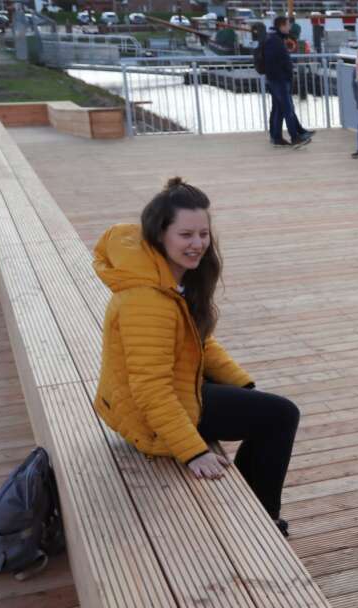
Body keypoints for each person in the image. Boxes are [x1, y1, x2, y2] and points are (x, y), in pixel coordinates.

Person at [92, 178, 299, 537]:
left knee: (264, 409)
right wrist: (193, 452)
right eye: (185, 235)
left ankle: (254, 508)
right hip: (147, 416)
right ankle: (260, 522)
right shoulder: (147, 299)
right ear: (160, 234)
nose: (198, 244)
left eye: (203, 234)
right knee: (281, 416)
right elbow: (150, 388)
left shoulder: (169, 278)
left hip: (172, 390)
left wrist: (244, 385)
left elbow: (199, 343)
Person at [262, 15, 314, 148]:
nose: (289, 27)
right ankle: (295, 138)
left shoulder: (275, 38)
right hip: (279, 80)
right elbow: (273, 62)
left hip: (278, 80)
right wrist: (283, 75)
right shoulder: (274, 41)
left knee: (279, 109)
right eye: (287, 25)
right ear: (281, 26)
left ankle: (277, 137)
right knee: (287, 109)